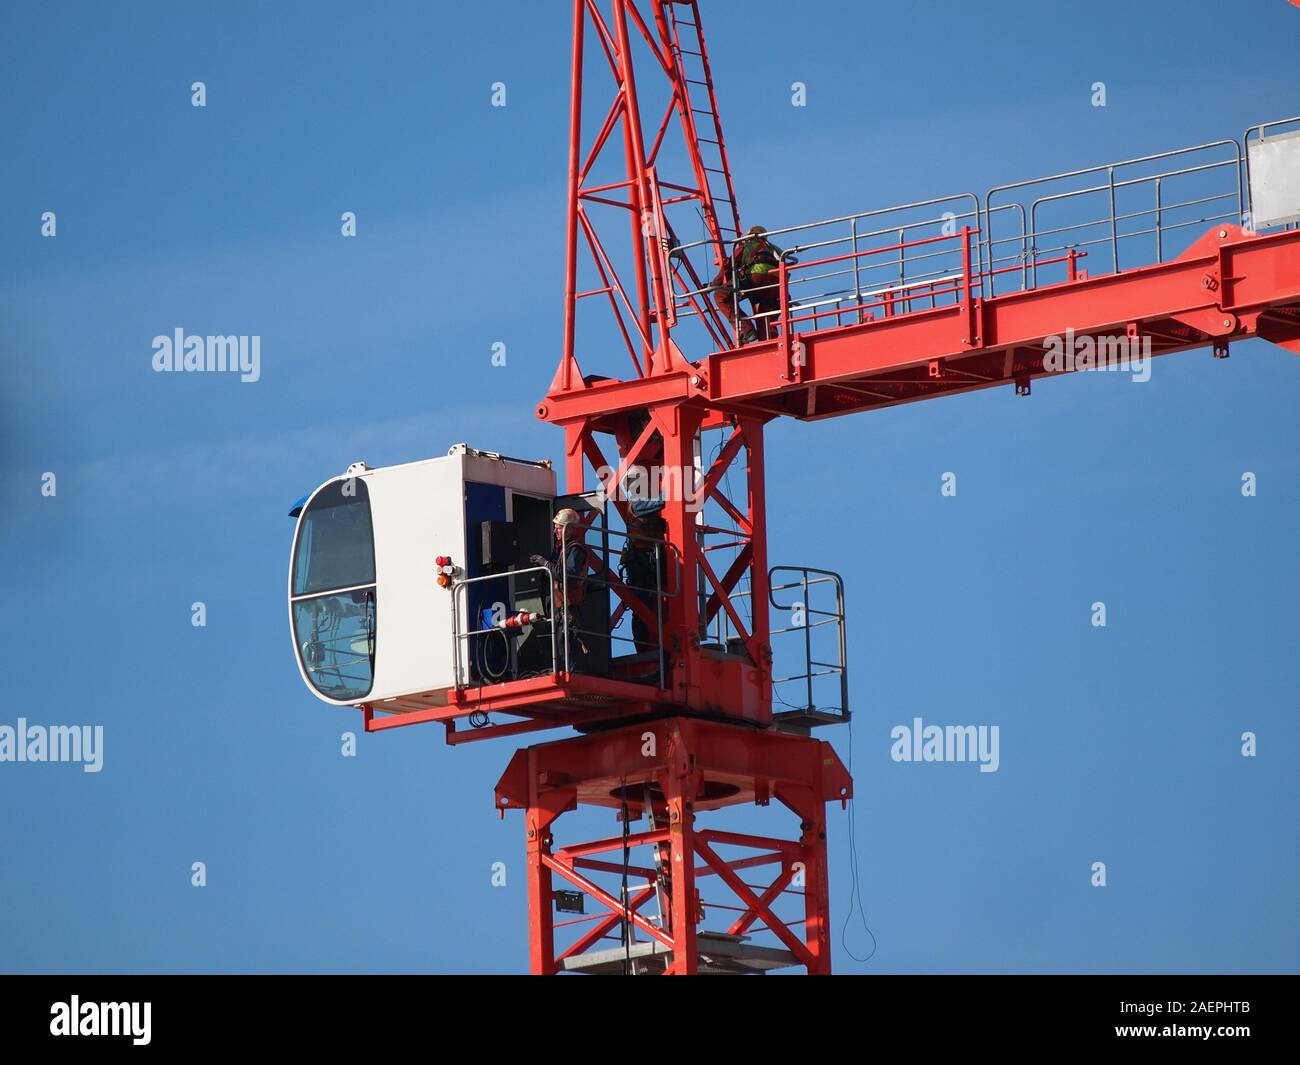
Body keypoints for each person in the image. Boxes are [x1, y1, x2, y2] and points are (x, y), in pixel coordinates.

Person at [531, 508, 590, 663]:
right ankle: (563, 670)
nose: (555, 530)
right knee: (558, 644)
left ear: (569, 529)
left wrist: (544, 564)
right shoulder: (560, 550)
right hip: (558, 605)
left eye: (558, 527)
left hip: (567, 606)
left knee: (565, 644)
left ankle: (568, 671)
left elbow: (567, 574)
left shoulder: (575, 550)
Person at [711, 225, 785, 343]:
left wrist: (714, 284)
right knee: (765, 317)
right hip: (777, 286)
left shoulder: (747, 245)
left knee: (721, 296)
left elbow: (729, 266)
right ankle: (770, 343)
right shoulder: (775, 249)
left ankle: (747, 331)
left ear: (750, 236)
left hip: (756, 279)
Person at [620, 499, 669, 655]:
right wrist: (676, 498)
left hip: (648, 560)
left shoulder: (636, 507)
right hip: (643, 561)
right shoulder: (637, 506)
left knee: (646, 607)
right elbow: (659, 504)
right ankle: (644, 646)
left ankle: (647, 644)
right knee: (642, 609)